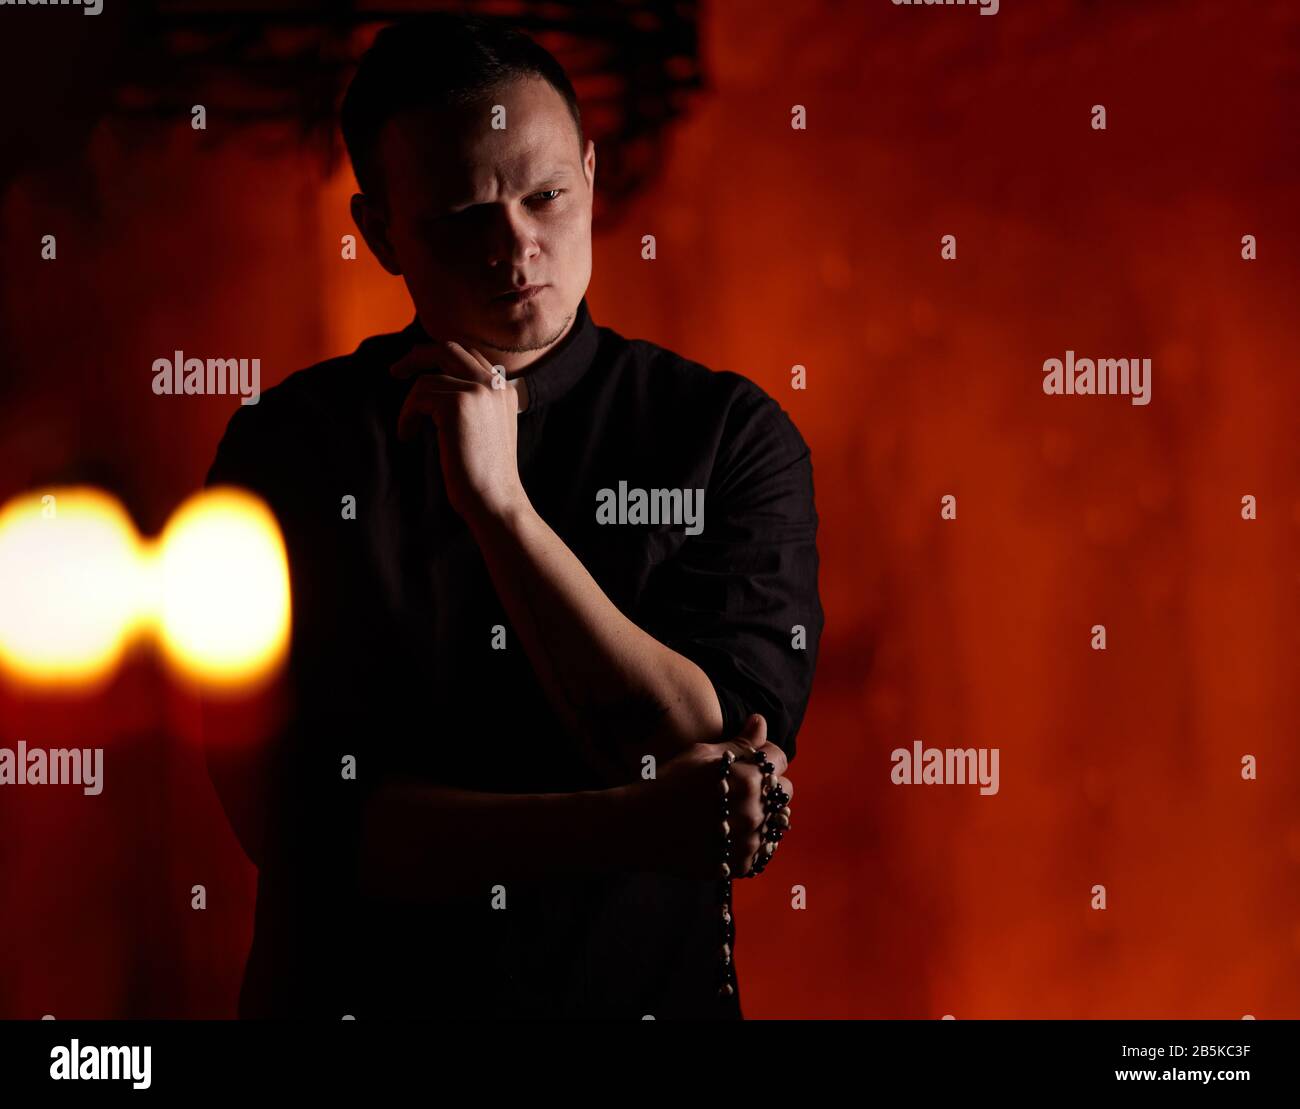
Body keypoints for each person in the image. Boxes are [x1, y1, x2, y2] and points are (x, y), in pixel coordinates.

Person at [202, 12, 822, 1020]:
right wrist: (625, 825)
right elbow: (302, 824)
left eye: (546, 196)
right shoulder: (289, 449)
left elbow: (696, 747)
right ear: (381, 231)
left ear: (590, 170)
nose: (515, 247)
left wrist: (501, 509)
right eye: (459, 218)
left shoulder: (724, 434)